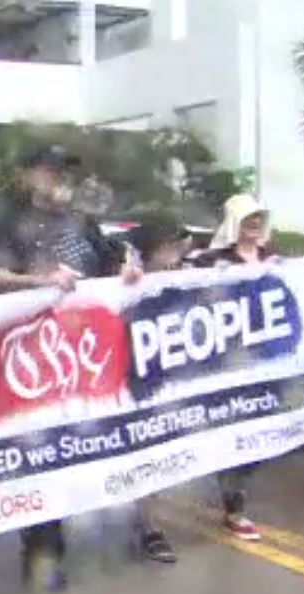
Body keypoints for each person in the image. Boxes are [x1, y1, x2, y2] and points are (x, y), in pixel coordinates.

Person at [0, 144, 138, 588]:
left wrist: (128, 274)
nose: (58, 180)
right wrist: (40, 281)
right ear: (30, 176)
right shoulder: (10, 225)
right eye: (49, 171)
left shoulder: (84, 224)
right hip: (32, 356)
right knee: (40, 450)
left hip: (84, 355)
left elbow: (113, 270)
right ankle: (40, 547)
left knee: (73, 448)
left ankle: (59, 538)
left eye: (64, 171)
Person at [192, 194, 276, 541]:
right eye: (247, 219)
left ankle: (232, 493)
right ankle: (234, 507)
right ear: (234, 223)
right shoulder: (213, 259)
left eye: (259, 218)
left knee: (259, 431)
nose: (254, 225)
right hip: (227, 360)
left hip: (264, 358)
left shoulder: (273, 258)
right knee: (231, 428)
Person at [123, 220, 195, 563]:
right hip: (132, 381)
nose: (175, 256)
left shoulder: (188, 277)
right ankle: (146, 524)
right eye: (168, 247)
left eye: (178, 248)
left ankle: (149, 524)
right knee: (139, 449)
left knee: (161, 450)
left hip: (169, 380)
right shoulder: (123, 283)